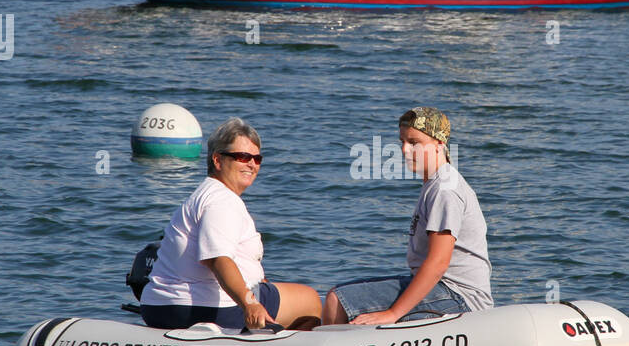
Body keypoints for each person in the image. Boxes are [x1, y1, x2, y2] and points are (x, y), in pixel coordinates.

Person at [140, 117, 322, 331]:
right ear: (217, 160)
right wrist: (250, 303)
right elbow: (218, 259)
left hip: (159, 306)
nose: (252, 164)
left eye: (257, 158)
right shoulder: (222, 201)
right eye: (242, 157)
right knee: (310, 301)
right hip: (205, 306)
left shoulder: (204, 194)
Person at [324, 106, 493, 325]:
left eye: (414, 143)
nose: (404, 150)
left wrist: (393, 313)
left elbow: (438, 263)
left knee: (337, 300)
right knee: (339, 294)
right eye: (402, 142)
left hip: (461, 298)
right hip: (444, 289)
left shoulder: (445, 189)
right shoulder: (435, 183)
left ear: (439, 144)